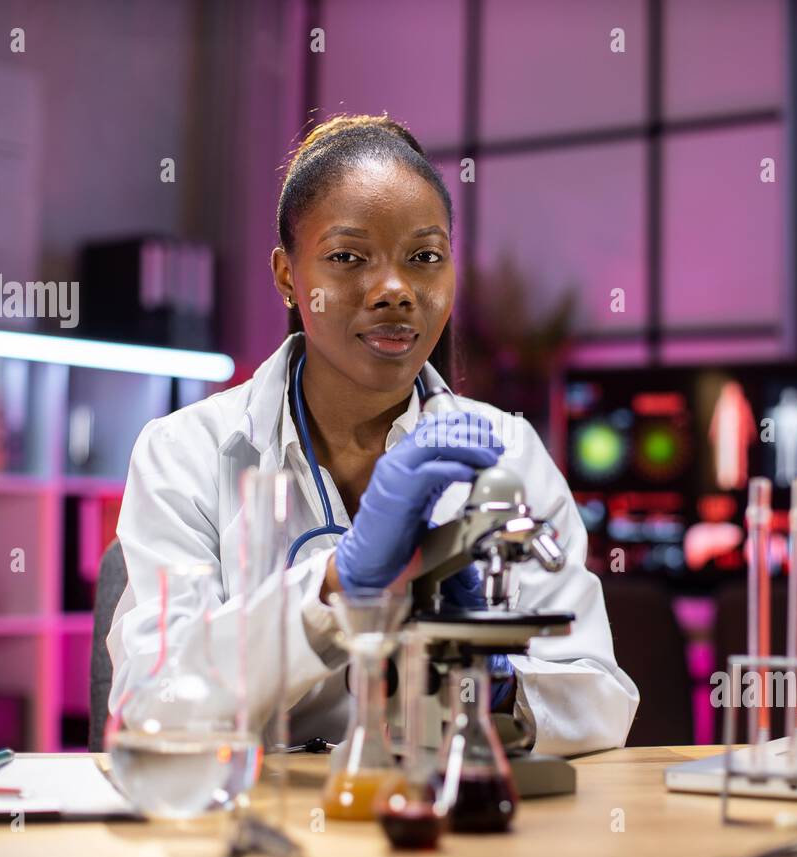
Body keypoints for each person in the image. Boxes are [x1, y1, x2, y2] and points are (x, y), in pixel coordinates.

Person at [106, 113, 639, 756]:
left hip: (441, 809)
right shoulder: (185, 452)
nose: (394, 290)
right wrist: (334, 586)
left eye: (425, 257)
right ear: (287, 276)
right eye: (347, 257)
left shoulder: (510, 452)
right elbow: (150, 704)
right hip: (259, 814)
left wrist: (490, 684)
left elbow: (599, 698)